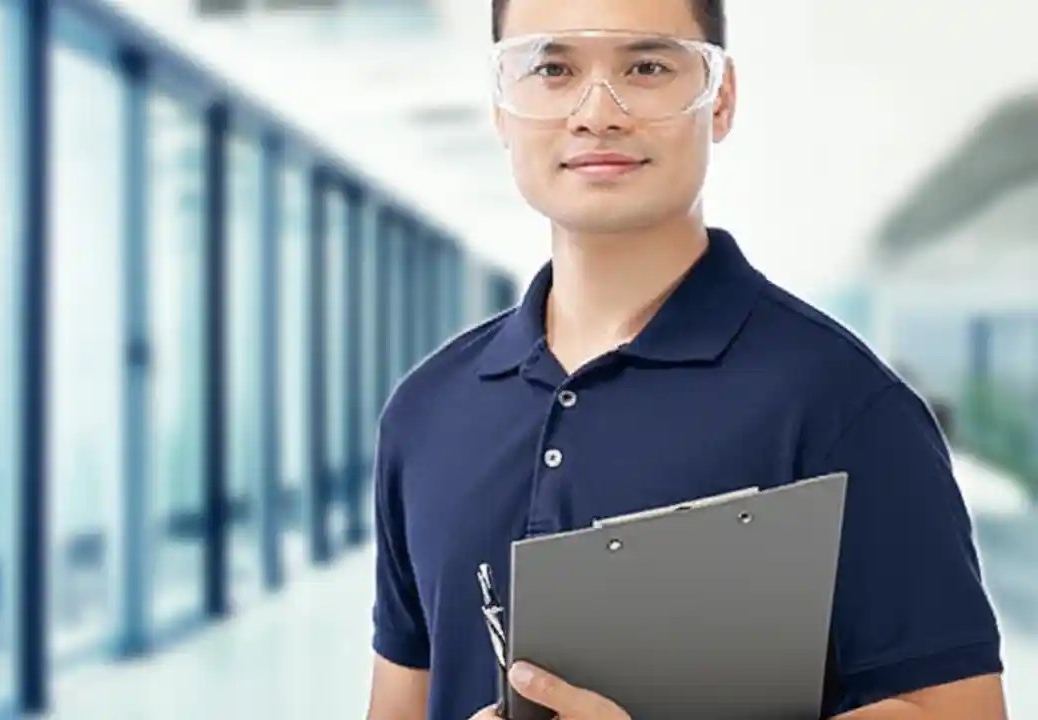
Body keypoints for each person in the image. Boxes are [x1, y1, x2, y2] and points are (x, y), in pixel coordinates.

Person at [365, 1, 1010, 719]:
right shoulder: (427, 413)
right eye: (552, 68)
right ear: (501, 106)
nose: (596, 113)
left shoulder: (840, 405)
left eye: (646, 67)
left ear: (721, 99)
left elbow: (961, 712)